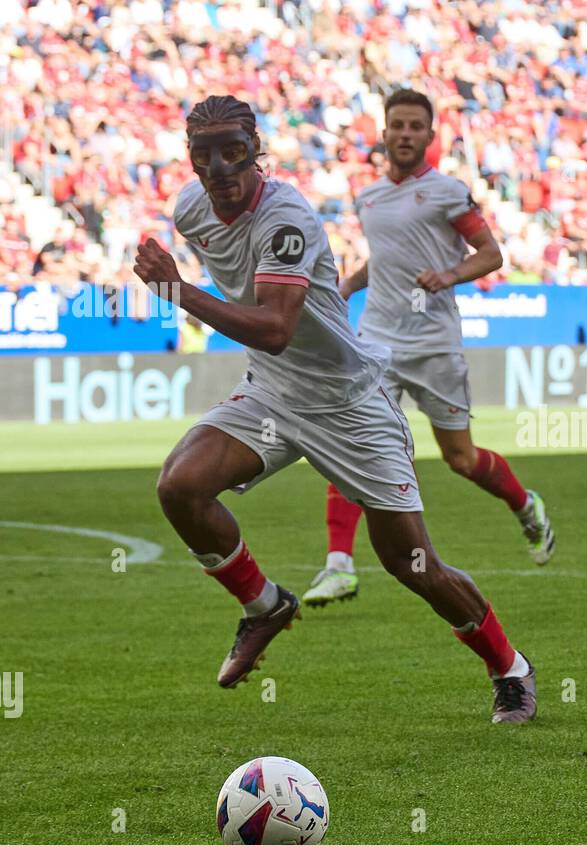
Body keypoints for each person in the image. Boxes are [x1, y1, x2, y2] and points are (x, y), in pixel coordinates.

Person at [135, 94, 537, 723]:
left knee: (413, 565)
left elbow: (274, 327)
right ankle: (265, 605)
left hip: (349, 402)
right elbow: (268, 342)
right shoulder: (191, 211)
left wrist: (175, 290)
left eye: (234, 152)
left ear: (256, 150)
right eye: (205, 155)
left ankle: (509, 666)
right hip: (272, 392)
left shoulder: (286, 218)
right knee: (180, 486)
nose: (221, 170)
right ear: (190, 159)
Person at [302, 89, 555, 609]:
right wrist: (346, 287)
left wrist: (449, 275)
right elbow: (386, 259)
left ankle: (525, 504)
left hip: (435, 344)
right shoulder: (368, 196)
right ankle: (338, 564)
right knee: (355, 440)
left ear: (429, 136)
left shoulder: (446, 192)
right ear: (385, 131)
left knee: (461, 459)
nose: (405, 134)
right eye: (397, 125)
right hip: (377, 343)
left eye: (416, 126)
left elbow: (490, 253)